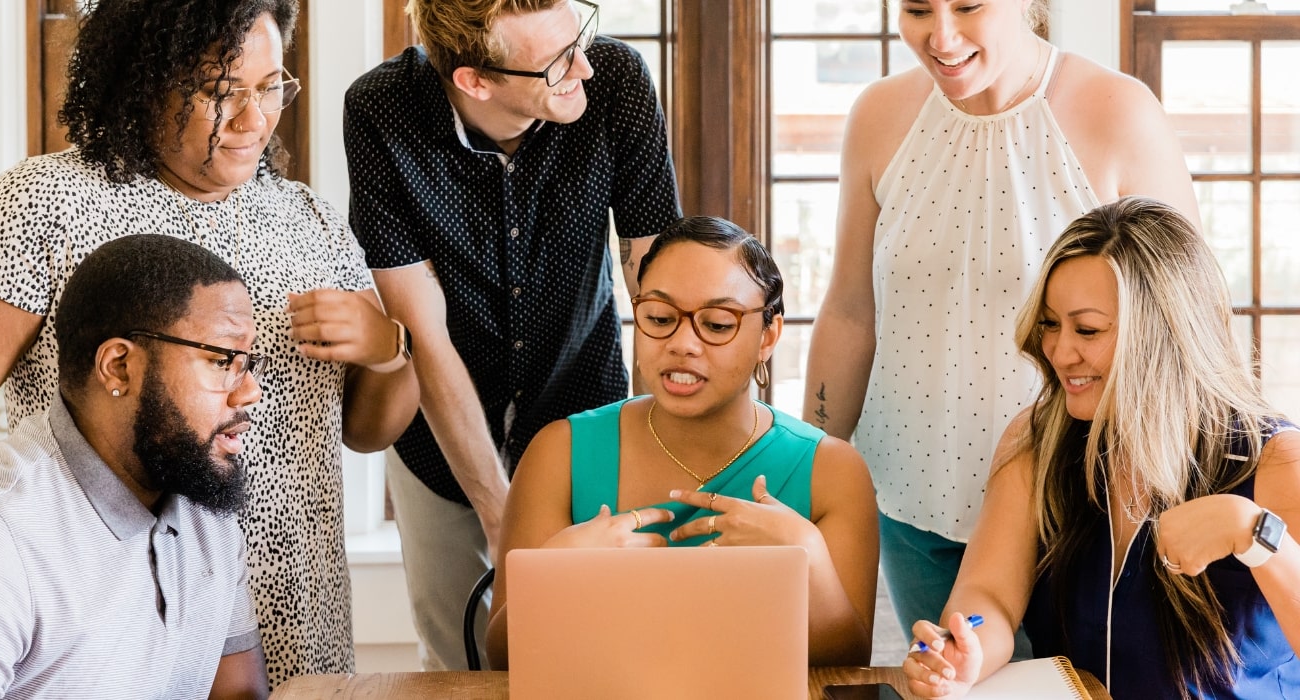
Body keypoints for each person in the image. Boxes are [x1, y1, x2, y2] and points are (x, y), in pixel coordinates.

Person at [0, 0, 418, 684]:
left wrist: (388, 348)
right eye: (221, 92)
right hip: (113, 616)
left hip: (295, 607)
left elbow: (369, 430)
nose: (255, 118)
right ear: (145, 76)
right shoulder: (38, 205)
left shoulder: (311, 221)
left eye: (271, 86)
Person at [801, 0, 1203, 645]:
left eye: (968, 6)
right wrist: (811, 470)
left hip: (1075, 504)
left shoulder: (1117, 112)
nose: (942, 35)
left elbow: (1188, 320)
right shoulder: (878, 116)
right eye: (916, 10)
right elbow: (851, 309)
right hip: (911, 502)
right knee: (953, 682)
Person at [344, 0, 681, 670]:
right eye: (557, 63)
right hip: (438, 432)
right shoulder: (381, 109)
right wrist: (502, 519)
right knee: (459, 654)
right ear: (477, 80)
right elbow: (422, 331)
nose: (582, 65)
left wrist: (668, 451)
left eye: (578, 39)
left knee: (597, 652)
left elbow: (659, 286)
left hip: (583, 404)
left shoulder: (614, 79)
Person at [902, 198, 1300, 699]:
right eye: (1051, 324)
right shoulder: (1037, 440)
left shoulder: (1275, 459)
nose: (1059, 352)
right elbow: (991, 597)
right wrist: (966, 650)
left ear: (1163, 333)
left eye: (1086, 329)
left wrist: (1255, 534)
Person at [0, 235, 271, 698]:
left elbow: (239, 694)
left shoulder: (206, 517)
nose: (250, 390)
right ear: (118, 367)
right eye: (221, 360)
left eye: (248, 362)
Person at [484, 216, 878, 669]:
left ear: (768, 337)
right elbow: (502, 659)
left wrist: (807, 558)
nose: (682, 343)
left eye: (715, 324)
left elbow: (848, 667)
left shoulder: (833, 471)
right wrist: (556, 577)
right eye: (659, 318)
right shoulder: (560, 453)